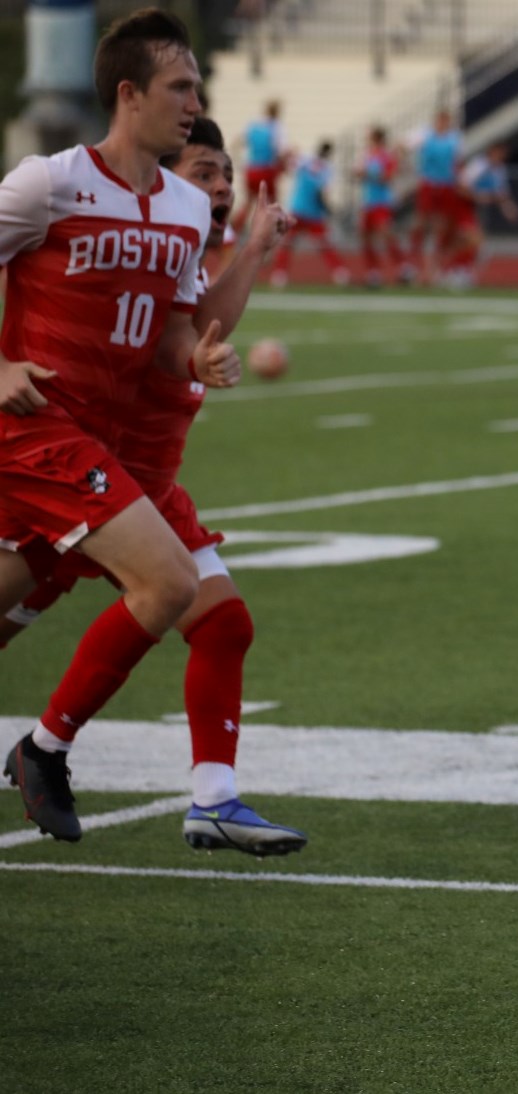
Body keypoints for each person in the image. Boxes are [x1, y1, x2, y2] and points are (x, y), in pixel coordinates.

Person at [2, 116, 308, 854]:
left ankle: (212, 797)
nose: (221, 187)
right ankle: (46, 749)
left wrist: (251, 252)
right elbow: (169, 331)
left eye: (225, 174)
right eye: (204, 172)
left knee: (223, 622)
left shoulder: (179, 259)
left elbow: (192, 331)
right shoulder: (115, 235)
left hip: (139, 489)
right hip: (83, 480)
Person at [0, 7, 244, 842]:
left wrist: (197, 359)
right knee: (173, 583)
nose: (193, 100)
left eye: (197, 86)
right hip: (34, 433)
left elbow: (174, 329)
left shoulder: (181, 206)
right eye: (180, 86)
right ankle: (43, 750)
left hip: (98, 446)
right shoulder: (49, 181)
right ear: (129, 94)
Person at [270, 140, 349, 287]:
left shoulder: (306, 160)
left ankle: (279, 274)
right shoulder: (327, 169)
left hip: (300, 209)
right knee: (323, 245)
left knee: (289, 244)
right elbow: (322, 193)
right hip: (310, 212)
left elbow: (289, 166)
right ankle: (339, 272)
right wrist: (329, 210)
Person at [451, 142, 518, 288]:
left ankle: (460, 271)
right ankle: (458, 272)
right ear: (492, 152)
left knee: (475, 245)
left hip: (474, 209)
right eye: (499, 154)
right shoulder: (479, 165)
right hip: (462, 206)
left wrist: (509, 209)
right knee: (477, 243)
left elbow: (501, 194)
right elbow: (461, 188)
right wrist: (480, 197)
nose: (501, 157)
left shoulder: (499, 170)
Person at [407, 108, 463, 282]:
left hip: (446, 184)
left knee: (442, 225)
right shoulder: (425, 134)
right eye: (440, 120)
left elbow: (458, 161)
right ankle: (414, 263)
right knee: (421, 222)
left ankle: (434, 267)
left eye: (445, 121)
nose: (442, 124)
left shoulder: (454, 139)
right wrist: (410, 166)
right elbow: (402, 146)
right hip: (428, 183)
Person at [358, 126, 406, 287]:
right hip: (368, 202)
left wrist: (369, 174)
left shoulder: (386, 156)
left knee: (386, 234)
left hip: (381, 202)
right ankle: (373, 272)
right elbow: (361, 174)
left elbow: (389, 176)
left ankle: (402, 267)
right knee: (366, 238)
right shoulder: (367, 155)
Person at [236, 98, 285, 225]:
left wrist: (238, 161)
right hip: (266, 170)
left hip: (251, 169)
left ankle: (234, 230)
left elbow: (238, 142)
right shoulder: (276, 127)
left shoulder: (253, 125)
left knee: (248, 203)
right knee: (272, 203)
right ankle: (273, 231)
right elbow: (279, 152)